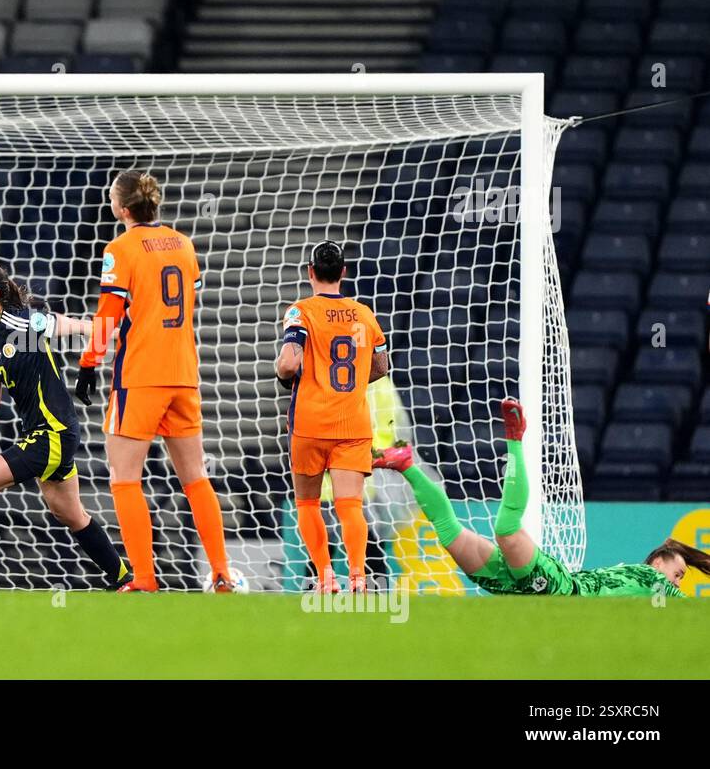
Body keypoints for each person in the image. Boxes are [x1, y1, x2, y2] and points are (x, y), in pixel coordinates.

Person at [75, 170, 234, 593]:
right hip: (183, 373)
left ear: (122, 208)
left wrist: (89, 361)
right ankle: (221, 572)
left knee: (125, 477)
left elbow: (108, 314)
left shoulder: (120, 248)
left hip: (141, 375)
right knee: (195, 477)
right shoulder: (183, 244)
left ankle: (144, 577)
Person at [373, 399, 705, 597]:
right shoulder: (651, 581)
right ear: (657, 564)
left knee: (449, 532)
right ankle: (515, 439)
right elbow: (692, 615)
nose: (676, 583)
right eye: (677, 574)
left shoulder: (636, 586)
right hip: (559, 590)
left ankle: (406, 464)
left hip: (520, 590)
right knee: (506, 529)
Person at [0, 263, 129, 589]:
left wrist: (115, 330)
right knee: (70, 514)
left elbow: (76, 326)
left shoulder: (24, 324)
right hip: (41, 433)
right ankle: (122, 578)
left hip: (53, 432)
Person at [276, 240, 389, 593]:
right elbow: (381, 366)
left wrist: (283, 375)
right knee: (350, 504)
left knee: (308, 502)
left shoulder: (301, 311)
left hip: (310, 423)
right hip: (353, 424)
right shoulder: (365, 314)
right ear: (343, 272)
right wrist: (353, 380)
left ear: (310, 272)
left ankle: (325, 577)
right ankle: (358, 576)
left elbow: (289, 361)